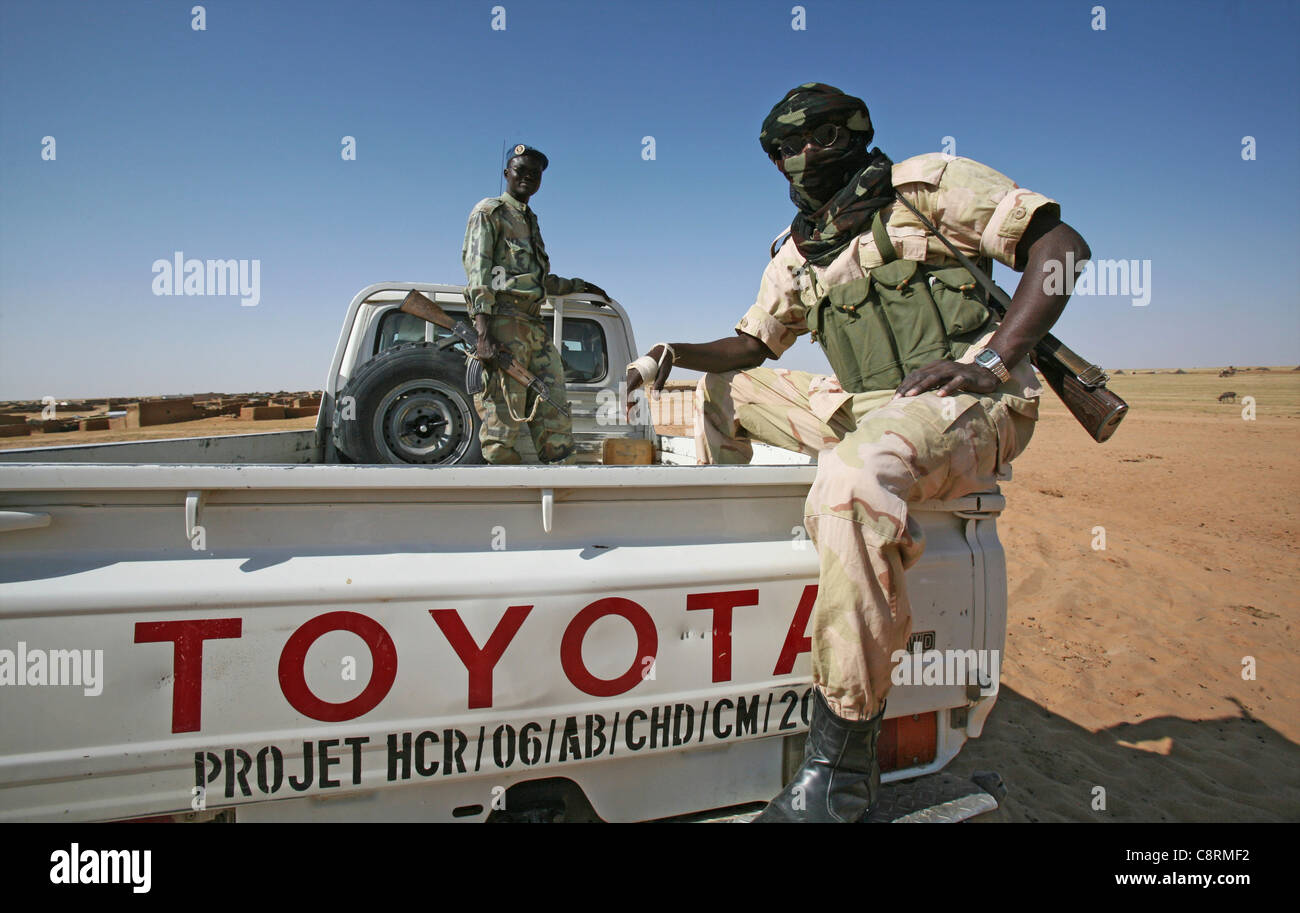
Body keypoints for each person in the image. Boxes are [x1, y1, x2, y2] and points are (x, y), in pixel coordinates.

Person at [624, 84, 1090, 822]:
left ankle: (838, 771)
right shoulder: (800, 250)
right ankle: (721, 548)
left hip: (970, 402)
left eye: (813, 140)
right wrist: (674, 351)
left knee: (852, 477)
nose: (798, 159)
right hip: (875, 406)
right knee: (727, 390)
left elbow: (1062, 249)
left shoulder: (922, 188)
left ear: (851, 132)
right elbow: (752, 344)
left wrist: (995, 360)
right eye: (782, 149)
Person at [462, 144, 610, 464]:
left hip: (533, 326)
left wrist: (581, 286)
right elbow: (478, 272)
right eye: (521, 171)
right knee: (504, 418)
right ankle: (509, 499)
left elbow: (537, 281)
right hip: (503, 324)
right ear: (506, 174)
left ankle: (558, 487)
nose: (527, 177)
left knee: (554, 408)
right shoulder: (490, 212)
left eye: (535, 173)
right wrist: (483, 334)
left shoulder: (530, 220)